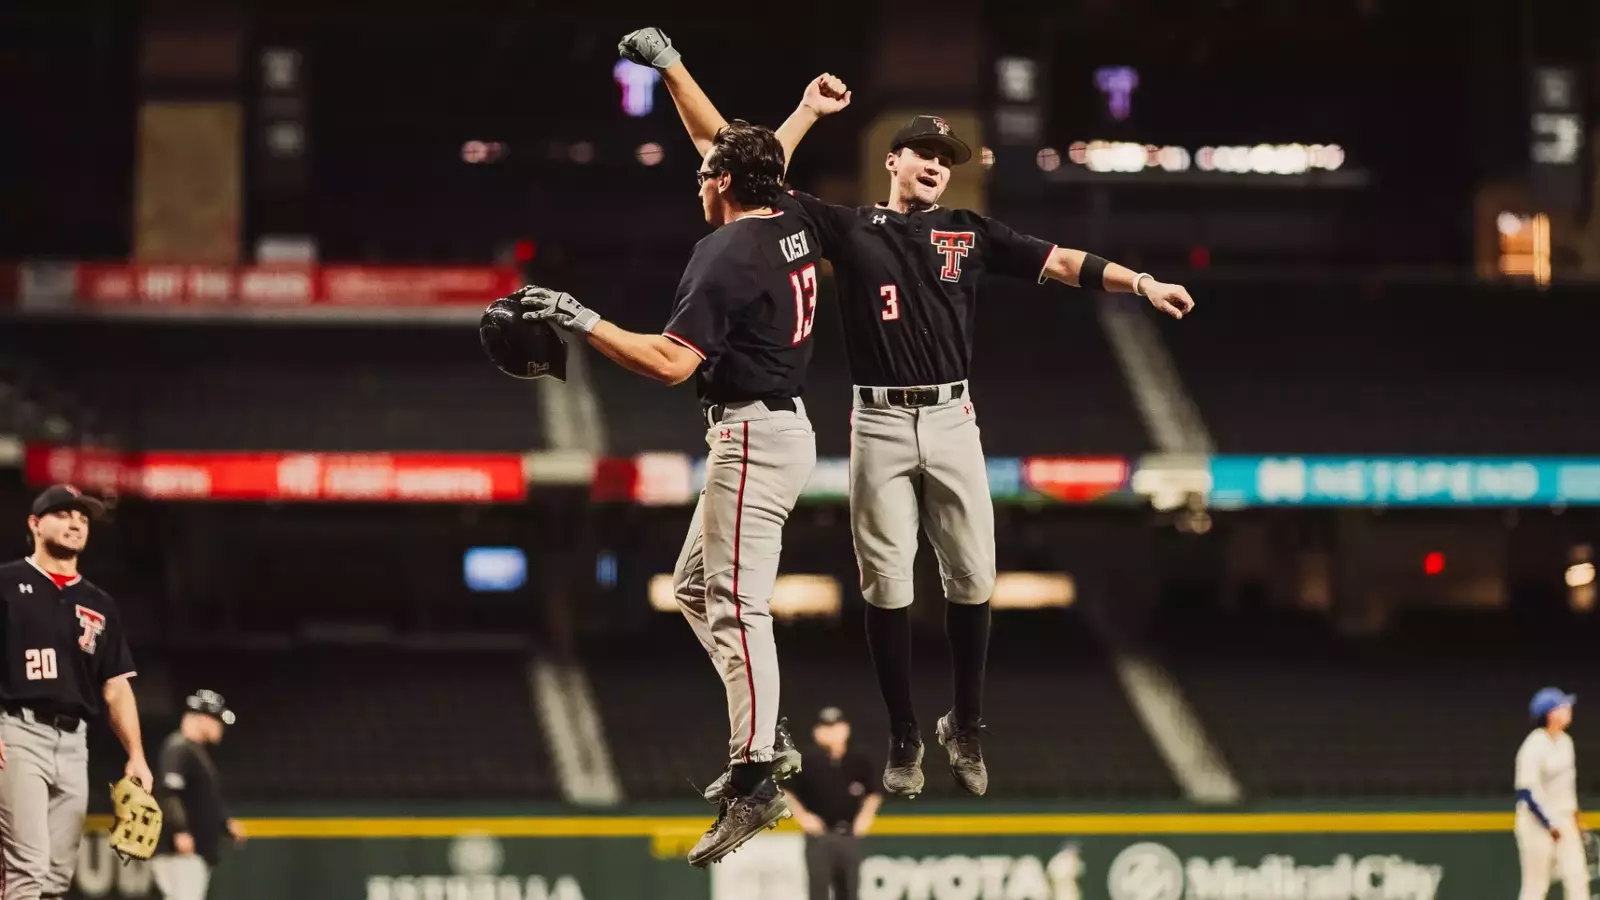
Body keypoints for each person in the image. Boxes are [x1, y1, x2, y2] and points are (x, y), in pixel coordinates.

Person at [626, 27, 1197, 799]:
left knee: (975, 577)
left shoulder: (969, 230)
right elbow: (736, 159)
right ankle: (903, 734)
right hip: (880, 422)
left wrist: (1142, 282)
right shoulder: (848, 226)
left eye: (945, 157)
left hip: (954, 417)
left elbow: (1061, 261)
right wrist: (740, 91)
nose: (935, 163)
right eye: (922, 151)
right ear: (892, 161)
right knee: (886, 584)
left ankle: (966, 722)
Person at [515, 82, 849, 866]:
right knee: (695, 587)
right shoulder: (788, 214)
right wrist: (683, 73)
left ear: (725, 183)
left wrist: (580, 317)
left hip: (753, 436)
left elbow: (670, 364)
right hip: (777, 427)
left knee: (735, 604)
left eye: (704, 173)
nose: (697, 181)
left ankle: (755, 778)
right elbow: (753, 154)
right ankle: (765, 735)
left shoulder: (724, 251)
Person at [0, 484, 151, 900]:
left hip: (74, 745)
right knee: (27, 868)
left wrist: (136, 754)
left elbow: (116, 686)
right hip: (17, 733)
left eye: (83, 518)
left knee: (56, 876)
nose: (76, 523)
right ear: (34, 524)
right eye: (63, 514)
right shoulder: (7, 583)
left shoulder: (99, 602)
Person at [152, 690, 244, 900]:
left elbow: (205, 800)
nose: (221, 727)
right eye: (218, 721)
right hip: (179, 852)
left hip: (193, 851)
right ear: (203, 718)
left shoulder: (194, 752)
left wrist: (225, 824)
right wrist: (180, 831)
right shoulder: (178, 748)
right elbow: (169, 794)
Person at [783, 707, 881, 900]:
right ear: (817, 732)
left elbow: (874, 792)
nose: (832, 733)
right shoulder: (805, 761)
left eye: (836, 727)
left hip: (849, 835)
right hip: (819, 837)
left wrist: (866, 816)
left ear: (846, 729)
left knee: (849, 892)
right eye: (826, 728)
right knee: (818, 892)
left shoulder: (859, 760)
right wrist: (803, 816)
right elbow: (785, 791)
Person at [1516, 687, 1588, 900]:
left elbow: (1567, 788)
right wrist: (1551, 826)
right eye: (1563, 706)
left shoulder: (1566, 742)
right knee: (1536, 886)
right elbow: (1527, 792)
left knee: (1578, 879)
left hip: (1564, 820)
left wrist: (1575, 819)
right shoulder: (1534, 745)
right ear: (1550, 714)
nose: (1568, 709)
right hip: (1536, 824)